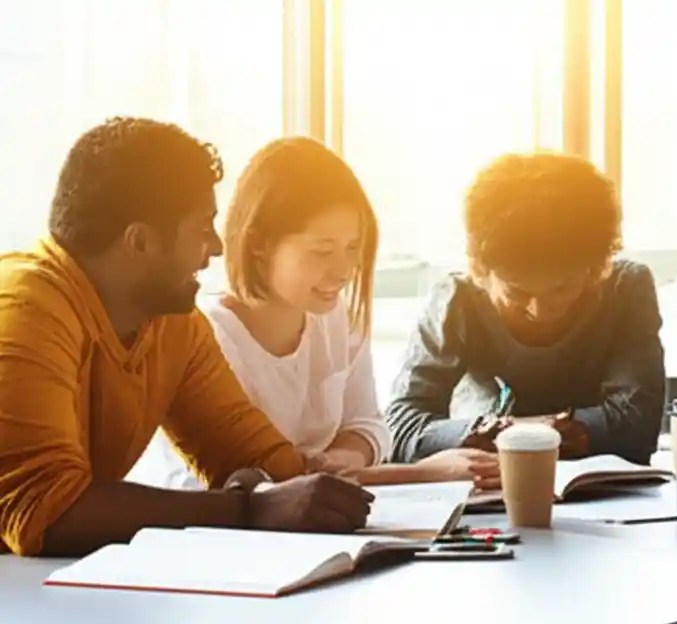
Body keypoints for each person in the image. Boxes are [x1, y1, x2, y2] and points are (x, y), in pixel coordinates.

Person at [0, 118, 372, 557]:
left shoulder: (173, 323)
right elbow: (45, 513)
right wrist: (248, 510)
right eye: (202, 228)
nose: (216, 247)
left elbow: (255, 457)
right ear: (139, 243)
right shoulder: (26, 308)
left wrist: (295, 492)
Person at [153, 137, 499, 489]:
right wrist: (423, 472)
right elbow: (240, 485)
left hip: (324, 516)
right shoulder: (209, 336)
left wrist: (341, 461)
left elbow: (367, 423)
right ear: (259, 244)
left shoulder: (336, 317)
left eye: (353, 248)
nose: (344, 270)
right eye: (322, 251)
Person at [385, 152, 665, 466]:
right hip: (484, 485)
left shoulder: (626, 288)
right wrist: (530, 432)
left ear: (596, 267)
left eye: (562, 288)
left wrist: (507, 435)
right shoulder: (458, 300)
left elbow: (638, 427)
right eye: (517, 292)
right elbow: (400, 427)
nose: (540, 310)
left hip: (602, 490)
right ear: (480, 270)